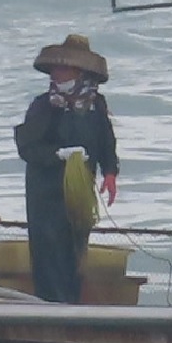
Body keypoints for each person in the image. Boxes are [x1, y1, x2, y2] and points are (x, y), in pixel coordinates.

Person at [13, 33, 119, 303]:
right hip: (45, 190)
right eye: (56, 68)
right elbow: (27, 148)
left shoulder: (95, 104)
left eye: (64, 68)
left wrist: (110, 172)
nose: (57, 73)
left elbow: (106, 139)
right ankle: (49, 302)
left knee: (75, 246)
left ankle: (70, 302)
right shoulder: (43, 105)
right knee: (48, 246)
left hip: (79, 189)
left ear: (80, 70)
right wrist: (57, 154)